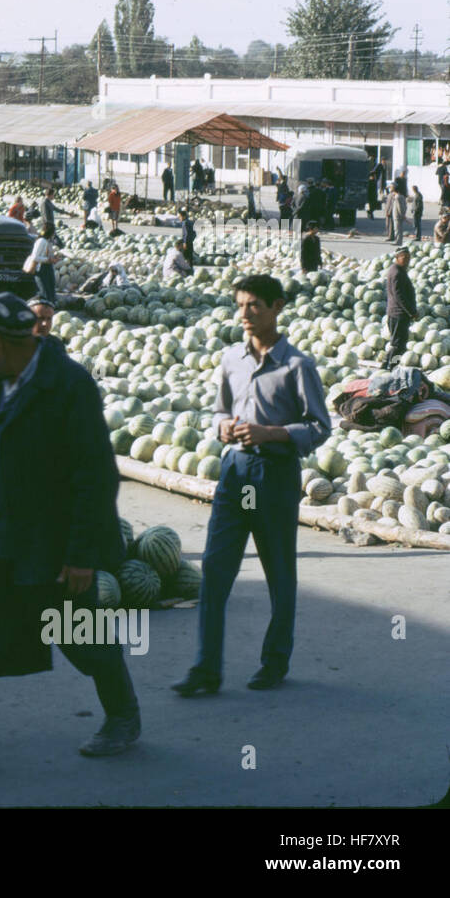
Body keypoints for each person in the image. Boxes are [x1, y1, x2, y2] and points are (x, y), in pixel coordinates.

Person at [0, 292, 139, 772]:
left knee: (83, 640)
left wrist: (81, 554)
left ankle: (123, 718)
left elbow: (94, 476)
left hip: (52, 548)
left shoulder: (70, 386)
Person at [172, 274, 329, 700]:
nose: (244, 314)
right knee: (216, 571)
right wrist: (222, 427)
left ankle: (274, 661)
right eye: (240, 305)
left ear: (277, 307)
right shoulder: (231, 359)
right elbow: (219, 409)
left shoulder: (298, 366)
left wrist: (271, 433)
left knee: (279, 572)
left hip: (274, 477)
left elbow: (319, 427)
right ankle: (206, 669)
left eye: (254, 306)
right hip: (235, 473)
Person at [383, 248, 417, 370]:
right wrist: (412, 312)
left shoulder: (396, 269)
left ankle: (385, 365)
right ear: (397, 258)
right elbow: (400, 296)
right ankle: (392, 366)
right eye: (404, 258)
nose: (407, 261)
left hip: (397, 313)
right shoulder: (397, 273)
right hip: (399, 314)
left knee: (396, 344)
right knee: (399, 345)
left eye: (408, 258)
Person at [26, 222, 61, 302]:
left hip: (48, 269)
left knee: (50, 292)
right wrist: (48, 260)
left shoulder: (47, 241)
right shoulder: (41, 241)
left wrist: (54, 258)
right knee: (43, 293)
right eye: (53, 232)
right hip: (41, 270)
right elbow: (35, 257)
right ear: (50, 232)